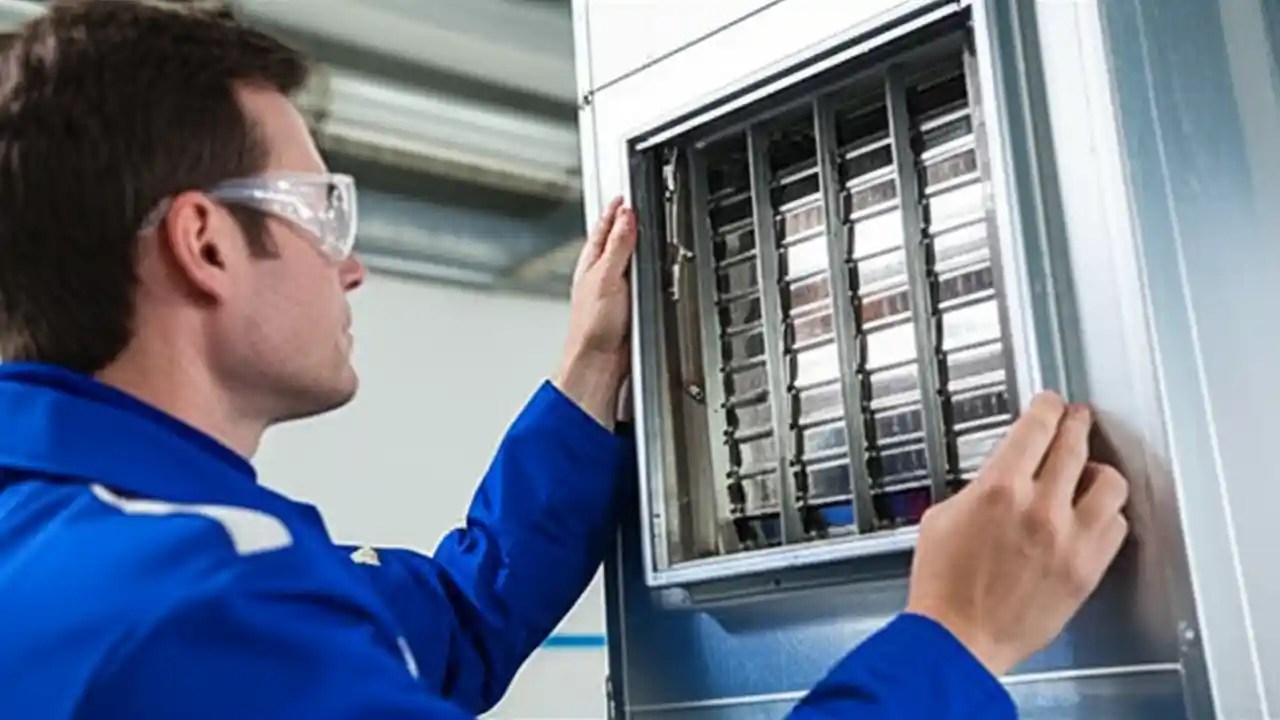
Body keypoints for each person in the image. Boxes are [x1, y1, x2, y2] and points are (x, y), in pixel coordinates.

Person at [0, 2, 1130, 718]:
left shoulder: (76, 556)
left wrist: (586, 385)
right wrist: (953, 638)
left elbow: (442, 621)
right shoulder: (195, 612)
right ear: (204, 243)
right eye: (320, 212)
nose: (349, 269)